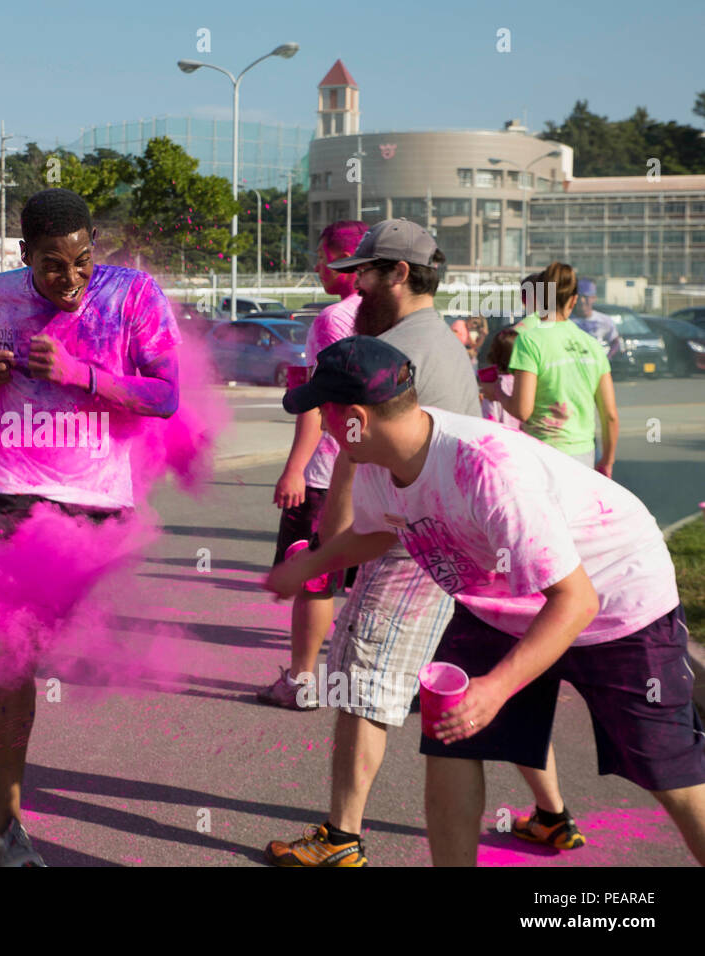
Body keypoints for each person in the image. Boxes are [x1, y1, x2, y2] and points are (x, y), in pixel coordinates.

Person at [265, 335, 705, 866]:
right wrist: (310, 565)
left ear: (355, 416)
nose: (323, 427)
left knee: (667, 768)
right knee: (452, 738)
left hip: (615, 598)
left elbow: (575, 601)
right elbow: (383, 530)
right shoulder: (382, 458)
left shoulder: (485, 469)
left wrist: (496, 688)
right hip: (500, 602)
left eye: (324, 412)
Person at [261, 219, 572, 866]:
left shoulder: (394, 348)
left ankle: (341, 839)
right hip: (455, 538)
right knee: (475, 683)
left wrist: (330, 550)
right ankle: (552, 812)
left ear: (398, 274)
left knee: (361, 682)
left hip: (414, 540)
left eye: (366, 271)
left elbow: (354, 452)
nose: (356, 283)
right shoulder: (439, 340)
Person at [0, 188, 179, 866]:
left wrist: (84, 374)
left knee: (55, 639)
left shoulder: (132, 294)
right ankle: (9, 826)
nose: (72, 278)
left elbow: (166, 396)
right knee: (15, 653)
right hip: (15, 488)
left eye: (83, 259)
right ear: (24, 256)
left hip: (98, 498)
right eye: (53, 265)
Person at [261, 220, 367, 709]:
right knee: (368, 581)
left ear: (345, 260)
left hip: (330, 474)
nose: (317, 266)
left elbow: (318, 404)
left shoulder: (333, 320)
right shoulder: (397, 316)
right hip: (389, 474)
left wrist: (295, 468)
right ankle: (364, 683)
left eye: (322, 256)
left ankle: (302, 682)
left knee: (314, 578)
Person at [485, 262, 619, 476]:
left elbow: (522, 410)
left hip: (542, 455)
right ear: (574, 300)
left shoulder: (529, 341)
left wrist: (497, 393)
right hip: (584, 455)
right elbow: (610, 415)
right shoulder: (592, 345)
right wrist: (607, 460)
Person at [571, 277, 621, 357]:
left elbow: (615, 342)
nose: (582, 301)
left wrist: (607, 358)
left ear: (594, 298)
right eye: (579, 297)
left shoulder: (605, 320)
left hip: (596, 367)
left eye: (586, 297)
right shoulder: (567, 321)